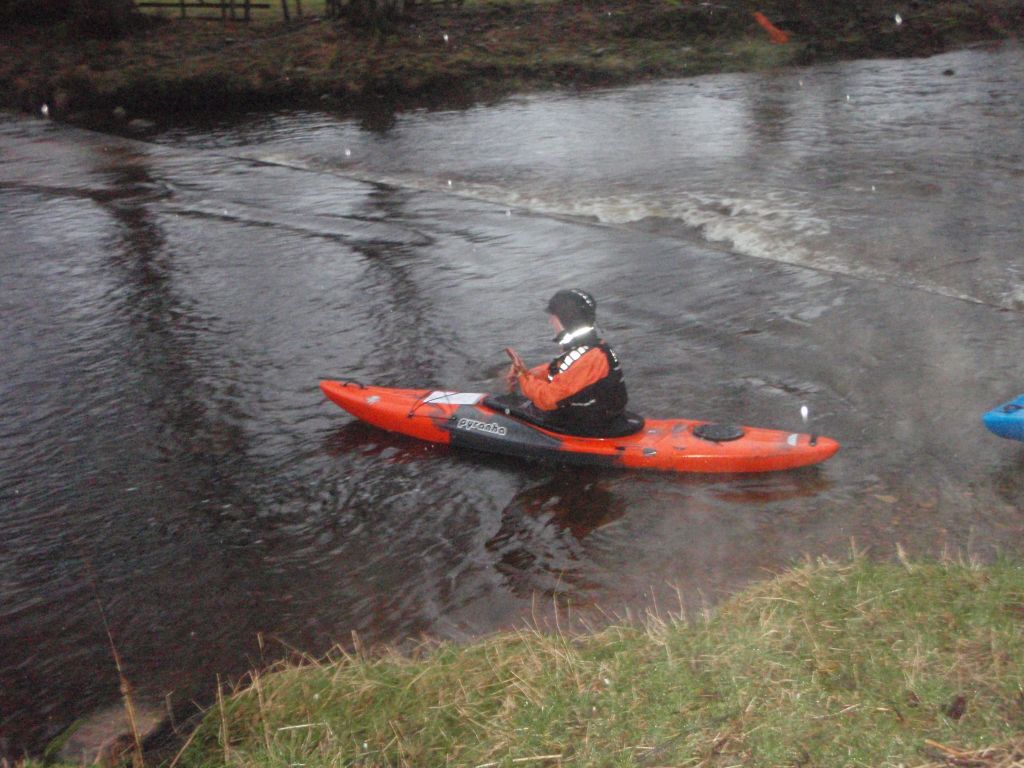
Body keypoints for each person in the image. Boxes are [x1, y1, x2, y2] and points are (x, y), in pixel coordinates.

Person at [505, 289, 628, 436]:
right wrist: (529, 374)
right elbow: (563, 371)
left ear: (567, 319)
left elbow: (546, 399)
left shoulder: (589, 359)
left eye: (553, 317)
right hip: (601, 419)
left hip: (590, 428)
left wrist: (522, 376)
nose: (550, 321)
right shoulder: (592, 347)